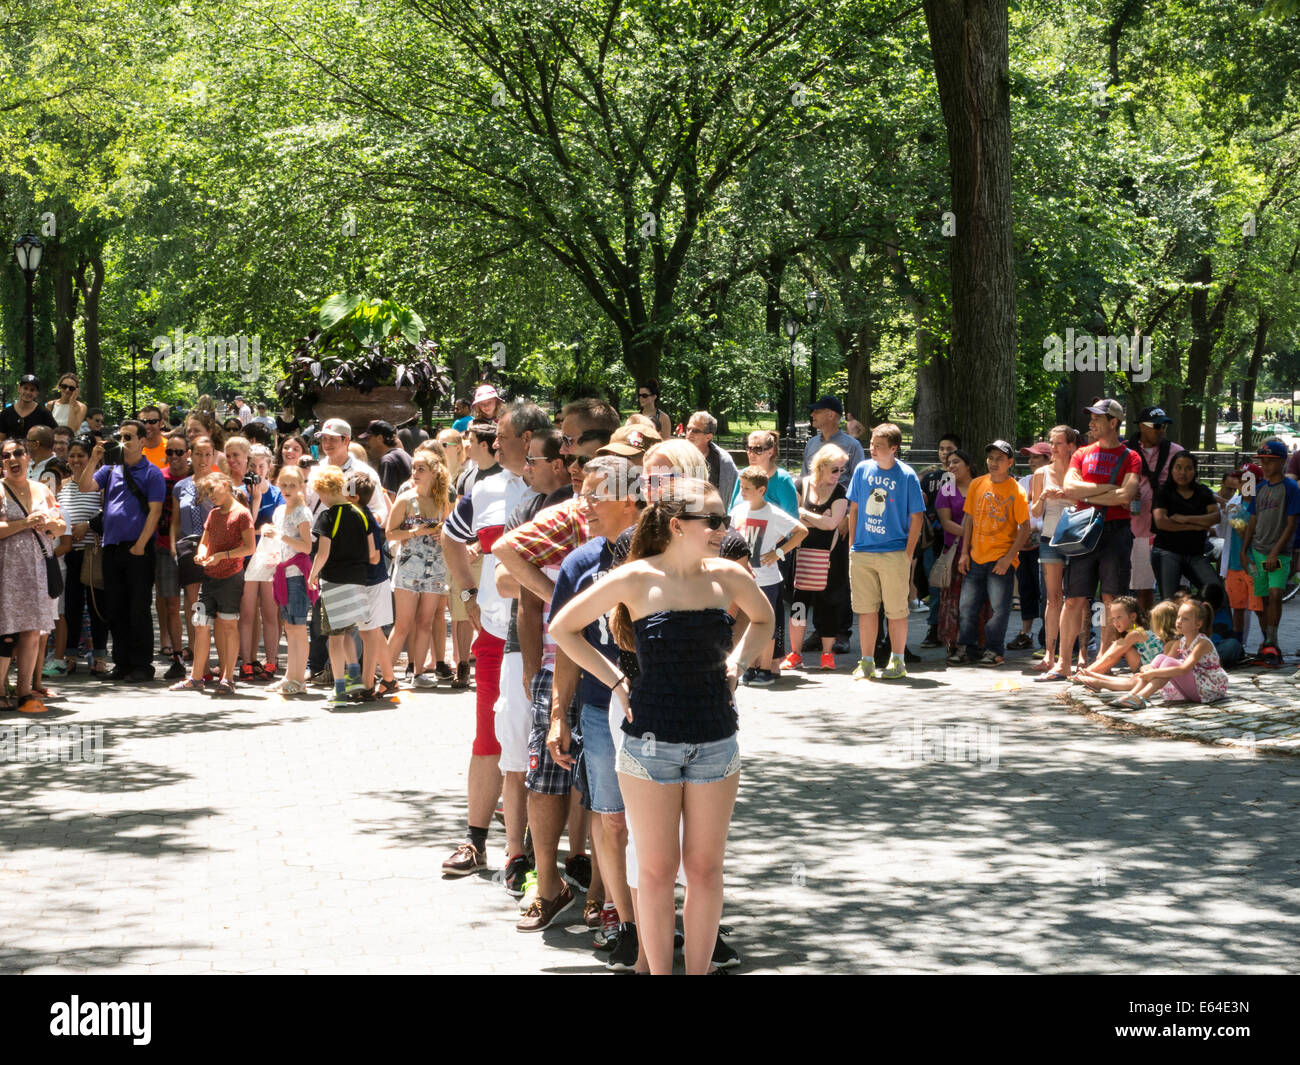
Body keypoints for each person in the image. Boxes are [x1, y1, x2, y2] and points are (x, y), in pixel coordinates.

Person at [548, 479, 774, 975]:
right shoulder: (634, 578)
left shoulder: (728, 576)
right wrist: (614, 681)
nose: (724, 530)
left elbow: (764, 619)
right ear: (677, 526)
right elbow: (562, 627)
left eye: (724, 519)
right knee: (654, 872)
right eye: (713, 521)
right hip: (649, 744)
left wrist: (737, 663)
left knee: (705, 870)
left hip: (716, 739)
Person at [543, 457, 644, 965]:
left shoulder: (663, 554)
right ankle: (622, 921)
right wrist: (560, 714)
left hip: (660, 711)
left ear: (630, 498)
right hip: (600, 709)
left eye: (594, 495)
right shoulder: (580, 563)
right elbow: (566, 644)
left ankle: (683, 925)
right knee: (610, 819)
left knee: (666, 826)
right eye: (581, 492)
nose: (584, 504)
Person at [439, 402, 543, 876]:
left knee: (549, 741)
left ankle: (543, 849)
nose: (493, 444)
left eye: (502, 435)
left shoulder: (560, 490)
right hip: (497, 635)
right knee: (490, 737)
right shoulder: (484, 490)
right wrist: (465, 592)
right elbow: (450, 536)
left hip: (551, 637)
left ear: (529, 438)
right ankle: (475, 838)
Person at [1058, 399, 1141, 674]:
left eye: (1097, 418)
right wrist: (1108, 489)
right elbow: (1070, 487)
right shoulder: (1081, 453)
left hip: (1116, 533)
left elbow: (1127, 495)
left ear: (1113, 422)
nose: (1091, 422)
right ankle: (1063, 663)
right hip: (1084, 530)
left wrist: (1089, 491)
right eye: (1090, 417)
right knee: (1073, 599)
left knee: (1111, 599)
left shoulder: (1131, 457)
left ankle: (1102, 662)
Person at [80, 420, 166, 680]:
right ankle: (122, 663)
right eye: (121, 436)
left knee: (138, 607)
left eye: (129, 436)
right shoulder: (109, 469)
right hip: (111, 548)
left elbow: (155, 511)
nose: (124, 441)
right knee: (115, 607)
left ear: (142, 441)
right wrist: (93, 460)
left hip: (138, 550)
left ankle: (142, 665)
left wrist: (140, 545)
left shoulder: (152, 473)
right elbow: (85, 487)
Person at [846, 422, 925, 680]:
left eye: (878, 446)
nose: (872, 449)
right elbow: (854, 510)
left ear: (894, 448)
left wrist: (908, 553)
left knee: (896, 610)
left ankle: (898, 661)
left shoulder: (907, 475)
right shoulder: (862, 469)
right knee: (866, 609)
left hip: (894, 552)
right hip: (862, 552)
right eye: (871, 444)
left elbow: (917, 517)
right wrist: (852, 547)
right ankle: (866, 661)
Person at [169, 472, 254, 695]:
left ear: (225, 485)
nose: (210, 496)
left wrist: (222, 556)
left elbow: (249, 548)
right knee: (201, 624)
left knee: (227, 625)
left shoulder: (242, 514)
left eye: (212, 491)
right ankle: (196, 677)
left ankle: (228, 678)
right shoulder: (214, 514)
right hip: (210, 577)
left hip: (230, 579)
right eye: (207, 493)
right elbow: (204, 543)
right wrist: (202, 555)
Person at [0, 436, 66, 712]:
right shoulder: (1, 490)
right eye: (7, 456)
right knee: (5, 630)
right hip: (6, 569)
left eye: (18, 453)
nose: (13, 459)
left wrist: (51, 523)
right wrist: (24, 523)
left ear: (28, 457)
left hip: (38, 568)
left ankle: (25, 690)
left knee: (30, 631)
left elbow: (62, 527)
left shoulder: (42, 489)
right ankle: (1, 689)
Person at [953, 441, 1030, 667]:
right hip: (975, 556)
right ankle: (967, 648)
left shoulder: (1016, 489)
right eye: (991, 458)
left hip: (1000, 559)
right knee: (967, 605)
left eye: (1000, 458)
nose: (994, 462)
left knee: (999, 608)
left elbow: (1024, 527)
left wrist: (1008, 558)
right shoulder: (978, 484)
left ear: (1010, 462)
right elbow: (968, 519)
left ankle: (994, 650)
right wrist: (964, 553)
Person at [308, 465, 380, 705]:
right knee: (348, 631)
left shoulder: (328, 516)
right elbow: (372, 552)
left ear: (325, 491)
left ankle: (339, 690)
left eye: (320, 494)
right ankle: (355, 678)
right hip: (358, 581)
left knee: (334, 638)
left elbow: (323, 552)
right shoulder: (360, 513)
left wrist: (312, 574)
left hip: (335, 581)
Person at [729, 466, 807, 684]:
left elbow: (801, 531)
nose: (742, 491)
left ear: (761, 489)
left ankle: (766, 668)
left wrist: (779, 552)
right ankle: (752, 665)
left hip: (768, 578)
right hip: (745, 577)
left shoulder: (772, 513)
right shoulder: (738, 511)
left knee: (767, 624)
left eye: (747, 488)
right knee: (749, 622)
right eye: (741, 486)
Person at [387, 450, 452, 687]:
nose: (414, 473)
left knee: (426, 621)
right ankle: (386, 674)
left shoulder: (441, 500)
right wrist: (415, 532)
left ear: (434, 472)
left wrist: (441, 532)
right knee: (403, 624)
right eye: (413, 468)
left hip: (434, 566)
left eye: (421, 469)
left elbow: (449, 529)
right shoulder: (405, 499)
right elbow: (390, 532)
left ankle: (418, 673)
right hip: (409, 568)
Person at [783, 443, 850, 672]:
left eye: (842, 470)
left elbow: (832, 524)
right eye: (835, 470)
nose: (839, 475)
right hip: (801, 555)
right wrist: (818, 518)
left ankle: (827, 655)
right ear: (821, 466)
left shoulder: (840, 491)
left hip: (829, 557)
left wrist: (805, 513)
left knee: (828, 606)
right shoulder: (801, 484)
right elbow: (792, 519)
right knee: (799, 606)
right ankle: (795, 654)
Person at [1240, 439, 1300, 666]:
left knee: (1276, 594)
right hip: (1258, 551)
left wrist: (1277, 551)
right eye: (1262, 461)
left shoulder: (1290, 489)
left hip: (1280, 553)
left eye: (1270, 461)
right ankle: (1267, 643)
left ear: (1283, 462)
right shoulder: (1260, 488)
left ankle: (1273, 640)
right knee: (1263, 598)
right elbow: (1252, 520)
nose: (1264, 465)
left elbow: (1291, 523)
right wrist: (1244, 551)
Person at [1108, 599, 1228, 710]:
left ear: (1198, 624)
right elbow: (1164, 661)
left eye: (1185, 619)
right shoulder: (1182, 641)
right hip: (1197, 685)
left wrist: (1153, 673)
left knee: (1169, 663)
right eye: (1178, 617)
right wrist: (1148, 668)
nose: (1179, 621)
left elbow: (1183, 669)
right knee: (1161, 657)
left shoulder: (1202, 643)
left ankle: (1141, 697)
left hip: (1208, 688)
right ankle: (1132, 695)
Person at [1029, 426, 1078, 680]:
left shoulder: (1078, 470)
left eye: (1058, 443)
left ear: (1071, 446)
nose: (1054, 448)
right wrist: (1045, 497)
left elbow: (1087, 503)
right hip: (1049, 537)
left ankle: (1075, 656)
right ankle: (1049, 653)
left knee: (1076, 597)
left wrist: (1067, 494)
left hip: (1077, 538)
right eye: (1052, 443)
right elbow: (1035, 512)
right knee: (1052, 598)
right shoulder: (1040, 474)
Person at [58, 437, 109, 675]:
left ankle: (99, 656)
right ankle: (69, 654)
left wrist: (88, 525)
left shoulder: (99, 484)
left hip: (93, 553)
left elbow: (107, 513)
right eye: (73, 455)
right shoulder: (61, 487)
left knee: (97, 607)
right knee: (71, 608)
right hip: (70, 555)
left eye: (81, 455)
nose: (76, 460)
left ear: (90, 458)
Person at [1126, 407, 1183, 612]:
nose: (1161, 430)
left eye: (1164, 426)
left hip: (1168, 529)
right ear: (1142, 426)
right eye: (1157, 426)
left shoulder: (1176, 452)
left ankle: (1173, 634)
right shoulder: (1126, 451)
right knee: (1142, 587)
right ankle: (1144, 632)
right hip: (1136, 528)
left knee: (1173, 588)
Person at [264, 465, 314, 694]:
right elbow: (278, 541)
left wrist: (281, 536)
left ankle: (299, 679)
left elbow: (306, 546)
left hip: (296, 575)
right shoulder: (279, 510)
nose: (287, 489)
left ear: (301, 487)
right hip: (281, 573)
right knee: (289, 627)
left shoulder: (302, 512)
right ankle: (290, 676)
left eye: (292, 485)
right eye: (283, 485)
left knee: (298, 626)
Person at [350, 472, 398, 699]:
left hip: (370, 581)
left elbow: (373, 556)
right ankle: (387, 679)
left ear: (354, 496)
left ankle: (368, 684)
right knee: (372, 631)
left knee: (369, 632)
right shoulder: (360, 514)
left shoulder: (362, 518)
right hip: (369, 581)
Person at [1151, 452, 1223, 601]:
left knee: (1218, 593)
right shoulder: (1164, 492)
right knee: (1169, 601)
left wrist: (1185, 519)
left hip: (1195, 553)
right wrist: (1196, 526)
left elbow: (1215, 517)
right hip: (1167, 551)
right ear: (1171, 470)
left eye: (1188, 468)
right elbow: (1161, 522)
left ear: (1195, 470)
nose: (1183, 473)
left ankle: (1216, 624)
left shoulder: (1202, 491)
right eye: (1178, 467)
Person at [155, 433, 192, 679]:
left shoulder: (196, 479)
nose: (175, 457)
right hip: (162, 546)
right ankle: (176, 655)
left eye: (180, 452)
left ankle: (199, 652)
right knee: (170, 603)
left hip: (193, 548)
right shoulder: (159, 476)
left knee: (195, 604)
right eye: (171, 452)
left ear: (188, 453)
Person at [919, 433, 960, 648]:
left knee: (954, 585)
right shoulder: (930, 478)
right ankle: (934, 627)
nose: (945, 453)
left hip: (955, 539)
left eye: (950, 448)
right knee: (935, 583)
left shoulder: (961, 479)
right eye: (942, 448)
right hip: (931, 540)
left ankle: (953, 629)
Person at [1009, 442, 1050, 650]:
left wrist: (1034, 531)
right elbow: (1017, 510)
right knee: (1026, 589)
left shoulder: (1054, 481)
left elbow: (1049, 515)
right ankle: (1026, 633)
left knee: (1046, 592)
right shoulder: (1023, 482)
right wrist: (1019, 533)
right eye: (1030, 457)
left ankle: (1048, 636)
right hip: (1022, 545)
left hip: (1045, 544)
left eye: (1037, 457)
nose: (1031, 461)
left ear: (1048, 460)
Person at [1075, 597, 1167, 690]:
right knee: (1119, 644)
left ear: (1133, 617)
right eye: (1113, 618)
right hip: (1148, 667)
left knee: (1120, 645)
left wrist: (1088, 670)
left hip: (1151, 670)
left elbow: (1110, 657)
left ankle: (1087, 673)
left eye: (1119, 617)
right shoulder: (1134, 630)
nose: (1115, 622)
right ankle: (1090, 673)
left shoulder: (1136, 633)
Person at [1220, 464, 1265, 647]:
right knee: (1237, 607)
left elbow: (1248, 533)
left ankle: (1267, 642)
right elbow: (1223, 532)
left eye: (1248, 480)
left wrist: (1238, 521)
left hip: (1254, 563)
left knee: (1260, 607)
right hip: (1234, 564)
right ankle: (1238, 644)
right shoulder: (1233, 504)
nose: (1243, 483)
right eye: (1241, 479)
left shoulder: (1262, 504)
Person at [800, 397, 866, 490]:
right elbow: (804, 478)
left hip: (842, 503)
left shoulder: (853, 446)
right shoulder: (811, 443)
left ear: (831, 415)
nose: (812, 414)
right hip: (812, 502)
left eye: (817, 411)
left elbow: (860, 483)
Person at [684, 411, 739, 506]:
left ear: (708, 437)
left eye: (695, 431)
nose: (689, 433)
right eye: (688, 429)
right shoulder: (676, 455)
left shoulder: (723, 462)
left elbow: (732, 495)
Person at [360, 419, 412, 496]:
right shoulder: (402, 454)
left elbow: (388, 496)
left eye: (369, 438)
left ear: (380, 438)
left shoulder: (387, 461)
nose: (367, 442)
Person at [0, 374, 57, 442]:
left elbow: (55, 434)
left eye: (32, 390)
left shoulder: (44, 413)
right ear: (19, 389)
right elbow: (1, 439)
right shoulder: (6, 413)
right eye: (25, 388)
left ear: (36, 393)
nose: (28, 392)